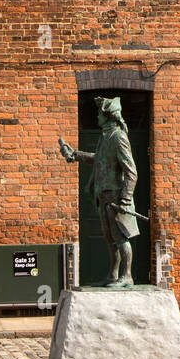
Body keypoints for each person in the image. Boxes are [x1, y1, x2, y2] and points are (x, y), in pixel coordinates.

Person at [58, 96, 140, 288]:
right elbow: (99, 159)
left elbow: (131, 171)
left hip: (116, 196)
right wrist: (76, 155)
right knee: (109, 237)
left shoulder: (119, 137)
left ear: (108, 116)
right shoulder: (106, 137)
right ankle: (113, 275)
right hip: (102, 194)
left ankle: (126, 276)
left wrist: (126, 199)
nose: (96, 115)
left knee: (121, 237)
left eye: (99, 113)